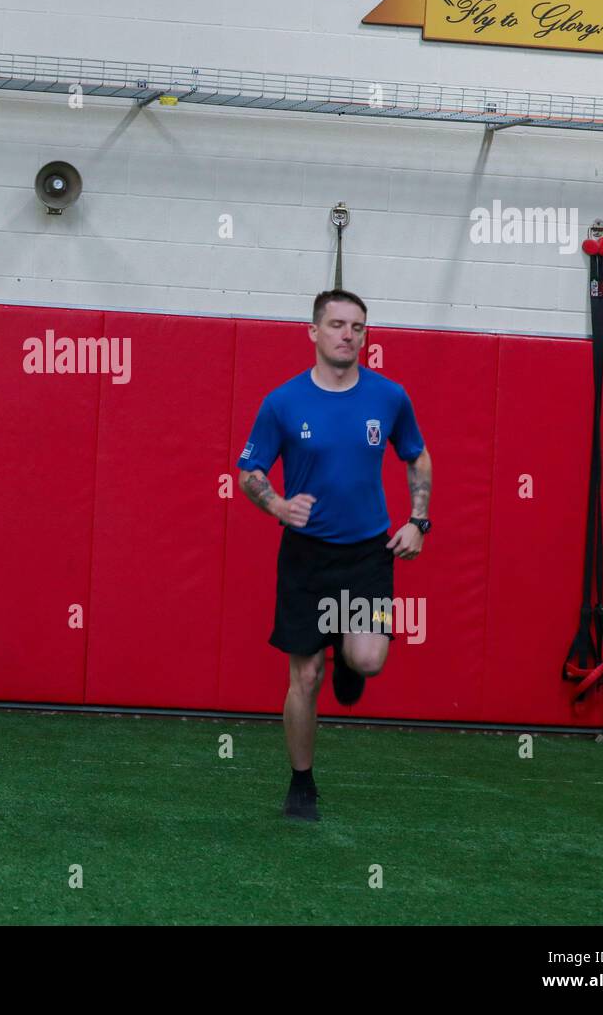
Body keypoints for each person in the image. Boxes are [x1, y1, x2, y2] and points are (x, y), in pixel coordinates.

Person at [237, 289, 432, 822]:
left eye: (359, 327)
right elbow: (249, 473)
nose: (349, 335)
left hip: (367, 555)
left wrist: (418, 521)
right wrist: (277, 503)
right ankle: (302, 783)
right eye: (339, 325)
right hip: (306, 557)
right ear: (314, 332)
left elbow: (417, 456)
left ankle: (350, 654)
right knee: (306, 677)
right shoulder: (283, 402)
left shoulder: (389, 397)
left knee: (366, 659)